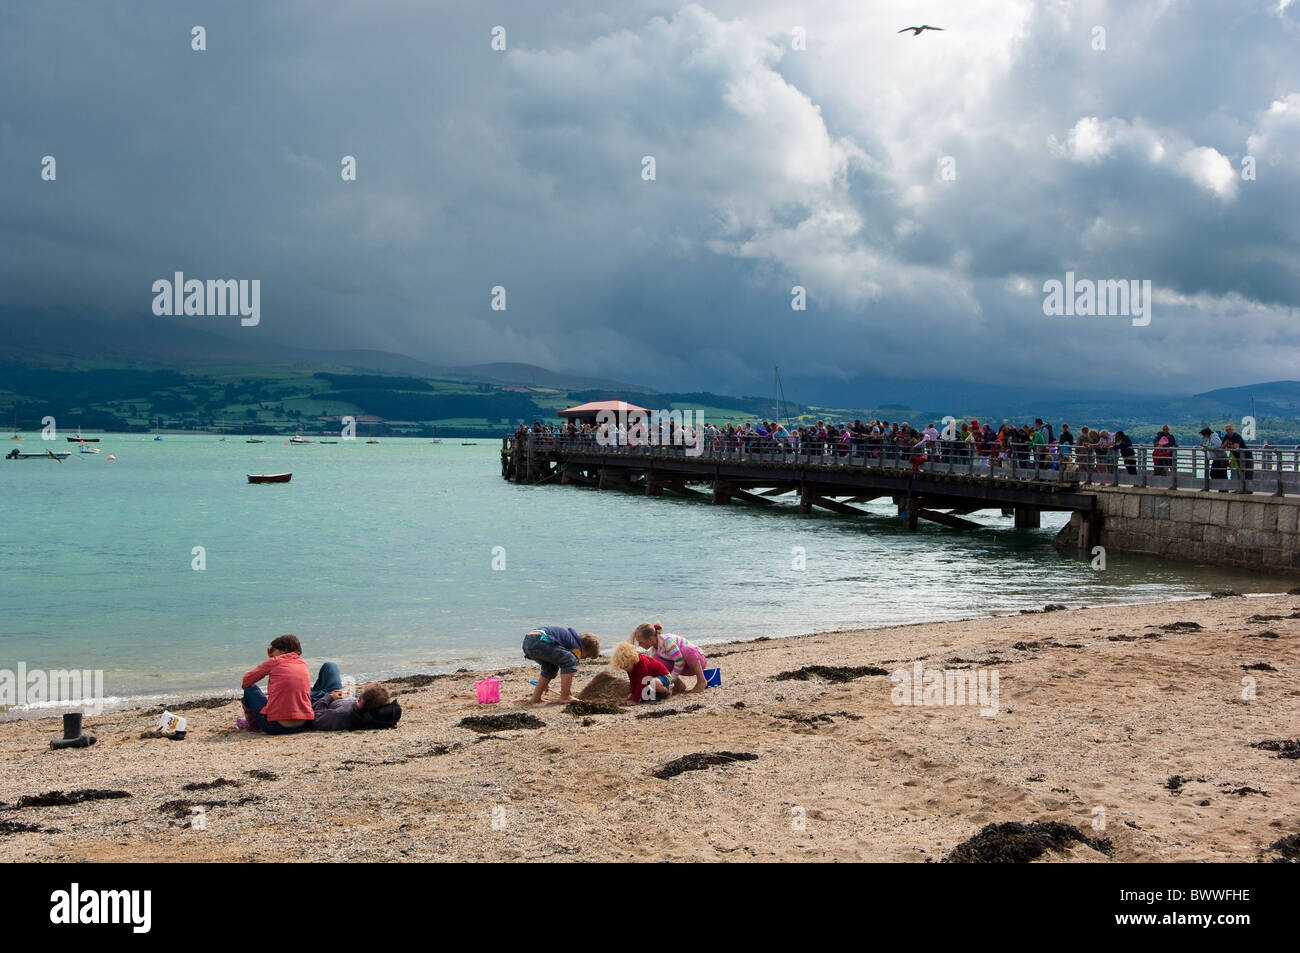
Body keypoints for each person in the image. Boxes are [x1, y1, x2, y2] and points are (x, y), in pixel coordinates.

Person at [240, 635, 314, 735]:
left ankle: (253, 725)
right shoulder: (303, 663)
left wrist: (270, 658)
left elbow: (246, 681)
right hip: (303, 725)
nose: (272, 654)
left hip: (277, 727)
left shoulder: (275, 661)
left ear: (283, 650)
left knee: (250, 689)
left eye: (273, 650)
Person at [523, 626, 600, 704]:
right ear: (584, 647)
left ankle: (536, 698)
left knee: (550, 667)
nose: (583, 659)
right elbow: (569, 664)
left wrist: (544, 684)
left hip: (528, 641)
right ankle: (565, 697)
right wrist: (566, 693)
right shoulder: (577, 647)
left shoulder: (570, 640)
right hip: (539, 640)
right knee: (570, 660)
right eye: (586, 656)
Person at [631, 622, 709, 693]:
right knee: (657, 662)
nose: (640, 645)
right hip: (686, 668)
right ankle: (679, 685)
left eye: (641, 642)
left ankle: (701, 681)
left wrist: (670, 679)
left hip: (697, 661)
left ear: (650, 639)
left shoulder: (667, 641)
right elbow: (659, 669)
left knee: (686, 650)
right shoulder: (654, 650)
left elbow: (680, 662)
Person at [310, 676, 402, 731]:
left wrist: (329, 697)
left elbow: (316, 718)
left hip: (315, 701)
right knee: (330, 666)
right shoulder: (365, 708)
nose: (376, 684)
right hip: (334, 697)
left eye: (363, 691)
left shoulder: (341, 714)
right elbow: (361, 701)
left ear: (362, 702)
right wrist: (350, 696)